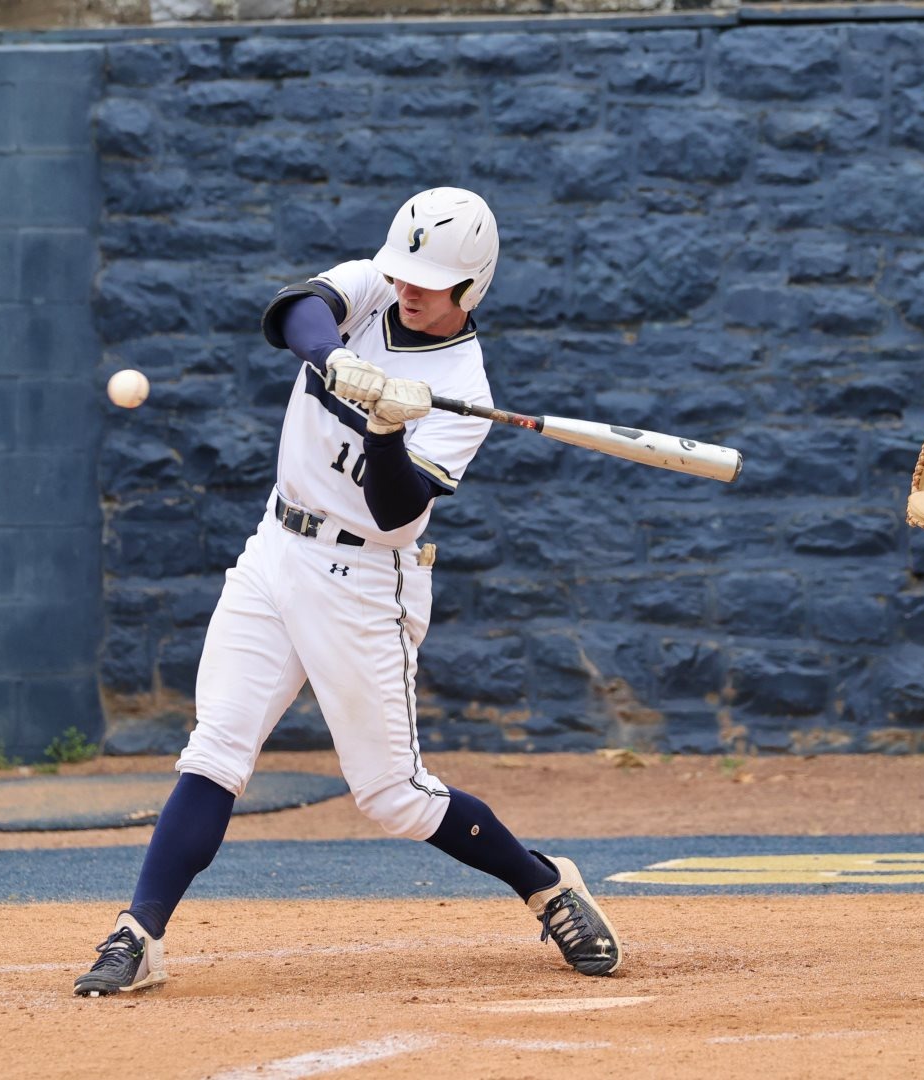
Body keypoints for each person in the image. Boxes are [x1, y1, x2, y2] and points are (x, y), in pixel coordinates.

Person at [73, 187, 620, 996]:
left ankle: (543, 883)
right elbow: (293, 314)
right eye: (404, 275)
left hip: (367, 580)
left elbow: (396, 510)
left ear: (473, 288)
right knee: (218, 745)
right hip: (276, 548)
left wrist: (388, 427)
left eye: (430, 284)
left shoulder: (465, 386)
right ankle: (138, 932)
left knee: (394, 796)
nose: (409, 291)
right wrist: (341, 364)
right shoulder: (373, 286)